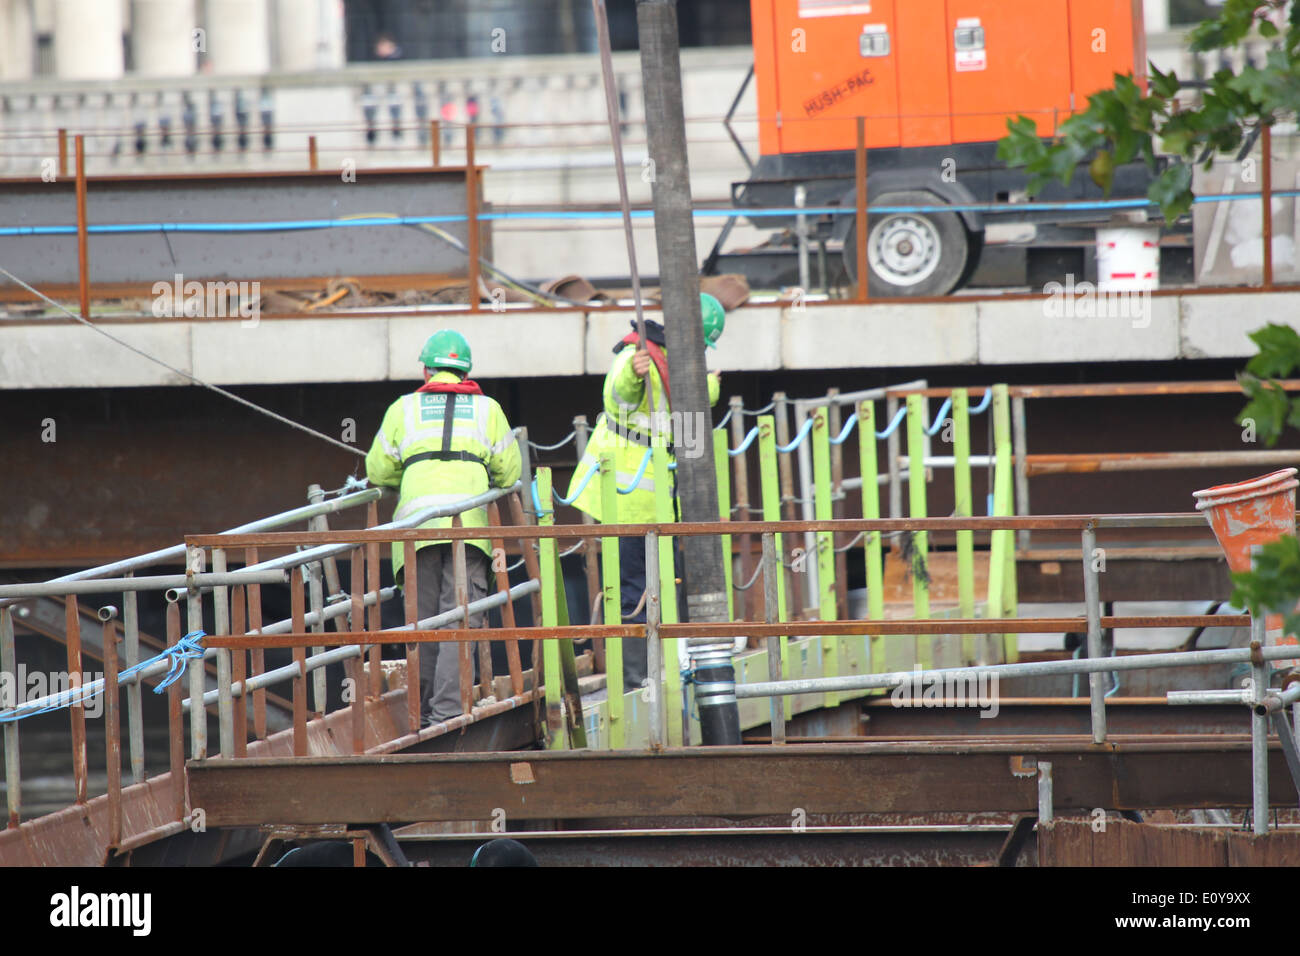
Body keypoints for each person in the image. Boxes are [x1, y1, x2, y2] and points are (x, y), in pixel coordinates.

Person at [566, 293, 725, 688]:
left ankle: (651, 670)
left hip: (655, 501)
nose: (703, 351)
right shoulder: (636, 357)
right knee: (633, 587)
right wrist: (633, 376)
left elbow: (695, 404)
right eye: (702, 343)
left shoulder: (681, 368)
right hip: (623, 494)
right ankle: (635, 681)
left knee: (656, 587)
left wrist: (712, 386)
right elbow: (615, 397)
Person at [366, 330, 520, 727]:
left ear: (426, 369)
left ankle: (418, 713)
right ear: (466, 370)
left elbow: (377, 470)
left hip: (415, 531)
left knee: (423, 619)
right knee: (460, 617)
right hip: (466, 530)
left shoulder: (403, 408)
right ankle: (448, 712)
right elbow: (510, 472)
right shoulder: (489, 409)